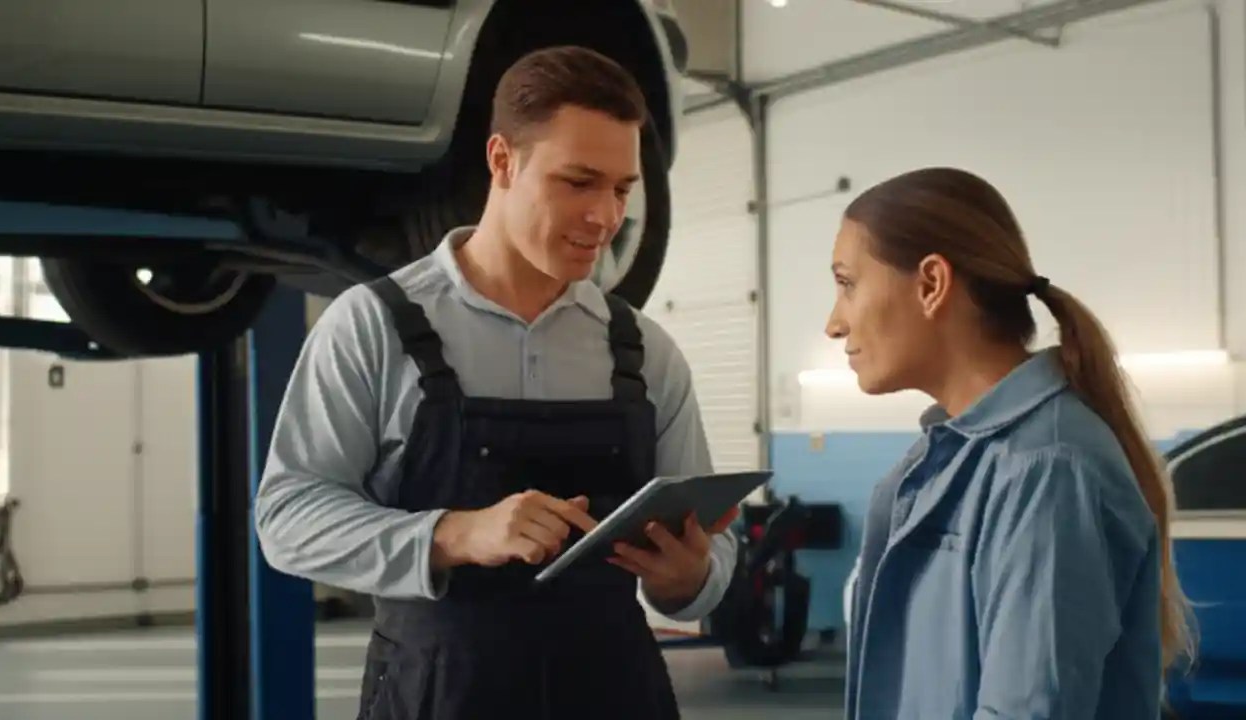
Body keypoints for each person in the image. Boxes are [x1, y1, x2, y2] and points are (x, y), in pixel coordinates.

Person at [253, 45, 738, 719]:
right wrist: (454, 534)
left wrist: (692, 578)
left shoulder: (643, 352)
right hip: (436, 694)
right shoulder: (375, 327)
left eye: (622, 189)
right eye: (578, 182)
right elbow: (287, 520)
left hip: (615, 694)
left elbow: (710, 550)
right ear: (502, 161)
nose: (606, 217)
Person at [828, 167, 1195, 719]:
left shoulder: (1047, 470)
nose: (835, 322)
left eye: (847, 283)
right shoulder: (944, 461)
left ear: (931, 284)